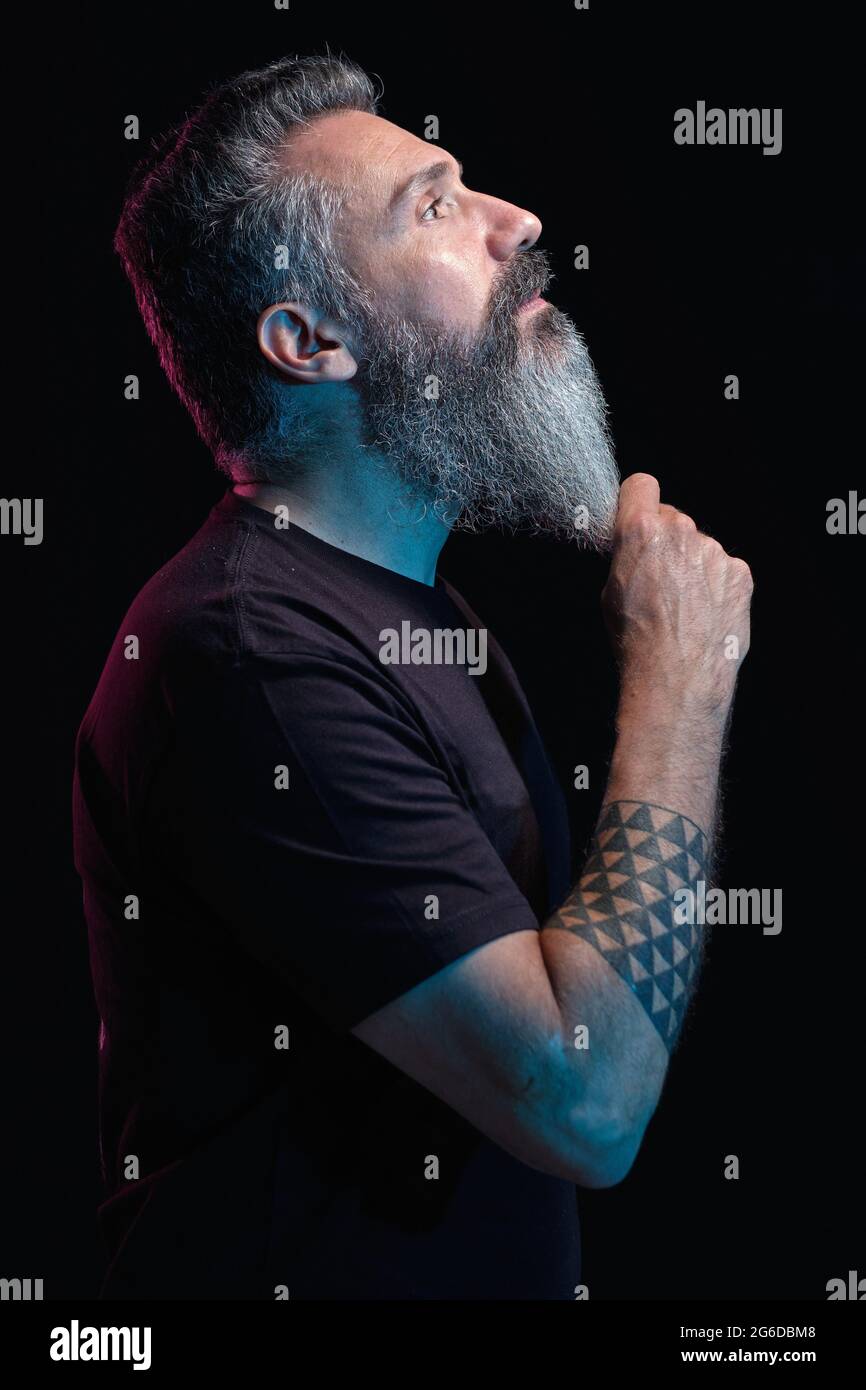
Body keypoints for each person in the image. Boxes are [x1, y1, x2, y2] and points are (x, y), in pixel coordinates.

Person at [72, 52, 753, 1300]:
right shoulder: (249, 657)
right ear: (308, 338)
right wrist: (681, 674)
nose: (517, 222)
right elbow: (583, 1099)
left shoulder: (401, 606)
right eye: (433, 207)